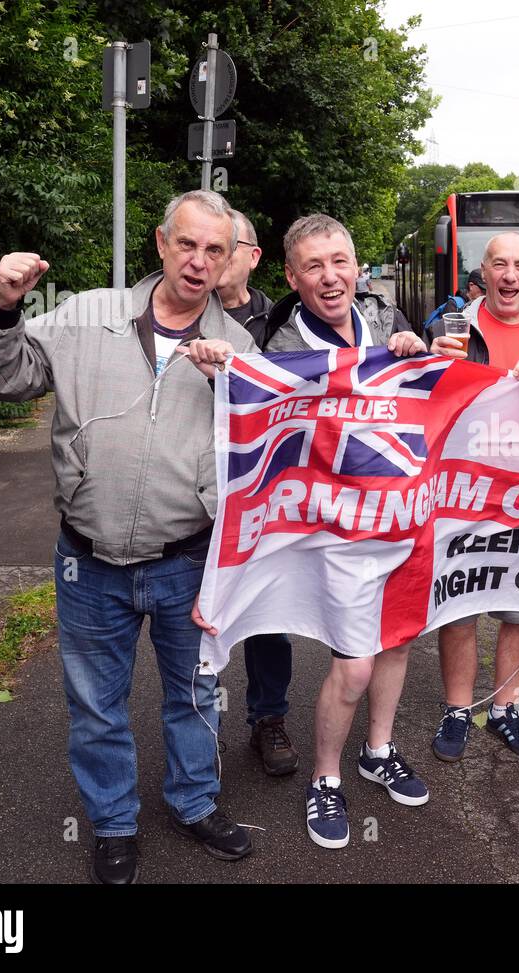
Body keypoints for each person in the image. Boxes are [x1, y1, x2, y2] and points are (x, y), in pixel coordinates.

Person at [0, 190, 257, 884]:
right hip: (88, 561)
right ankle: (114, 822)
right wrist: (4, 307)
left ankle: (193, 801)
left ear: (229, 261)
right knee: (96, 704)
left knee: (195, 693)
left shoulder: (237, 345)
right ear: (160, 242)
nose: (198, 261)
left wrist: (230, 389)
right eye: (187, 244)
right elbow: (8, 378)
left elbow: (264, 451)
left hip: (187, 557)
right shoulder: (89, 313)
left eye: (215, 250)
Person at [188, 213, 431, 851]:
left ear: (357, 265)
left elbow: (436, 395)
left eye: (340, 261)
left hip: (399, 520)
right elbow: (246, 415)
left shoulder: (388, 322)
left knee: (396, 644)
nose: (331, 277)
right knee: (352, 667)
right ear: (292, 277)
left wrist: (420, 355)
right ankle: (326, 779)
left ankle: (378, 750)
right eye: (314, 266)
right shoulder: (271, 342)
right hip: (328, 529)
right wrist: (222, 371)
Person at [425, 232, 519, 761]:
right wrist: (427, 359)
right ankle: (458, 710)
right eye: (499, 264)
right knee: (458, 603)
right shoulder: (451, 325)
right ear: (482, 272)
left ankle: (508, 707)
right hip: (463, 489)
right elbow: (416, 396)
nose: (509, 276)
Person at [212, 211, 300, 777]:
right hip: (202, 488)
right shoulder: (181, 315)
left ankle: (268, 718)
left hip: (264, 488)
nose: (214, 259)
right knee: (199, 612)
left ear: (254, 256)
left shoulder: (283, 323)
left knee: (266, 611)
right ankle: (199, 728)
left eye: (227, 246)